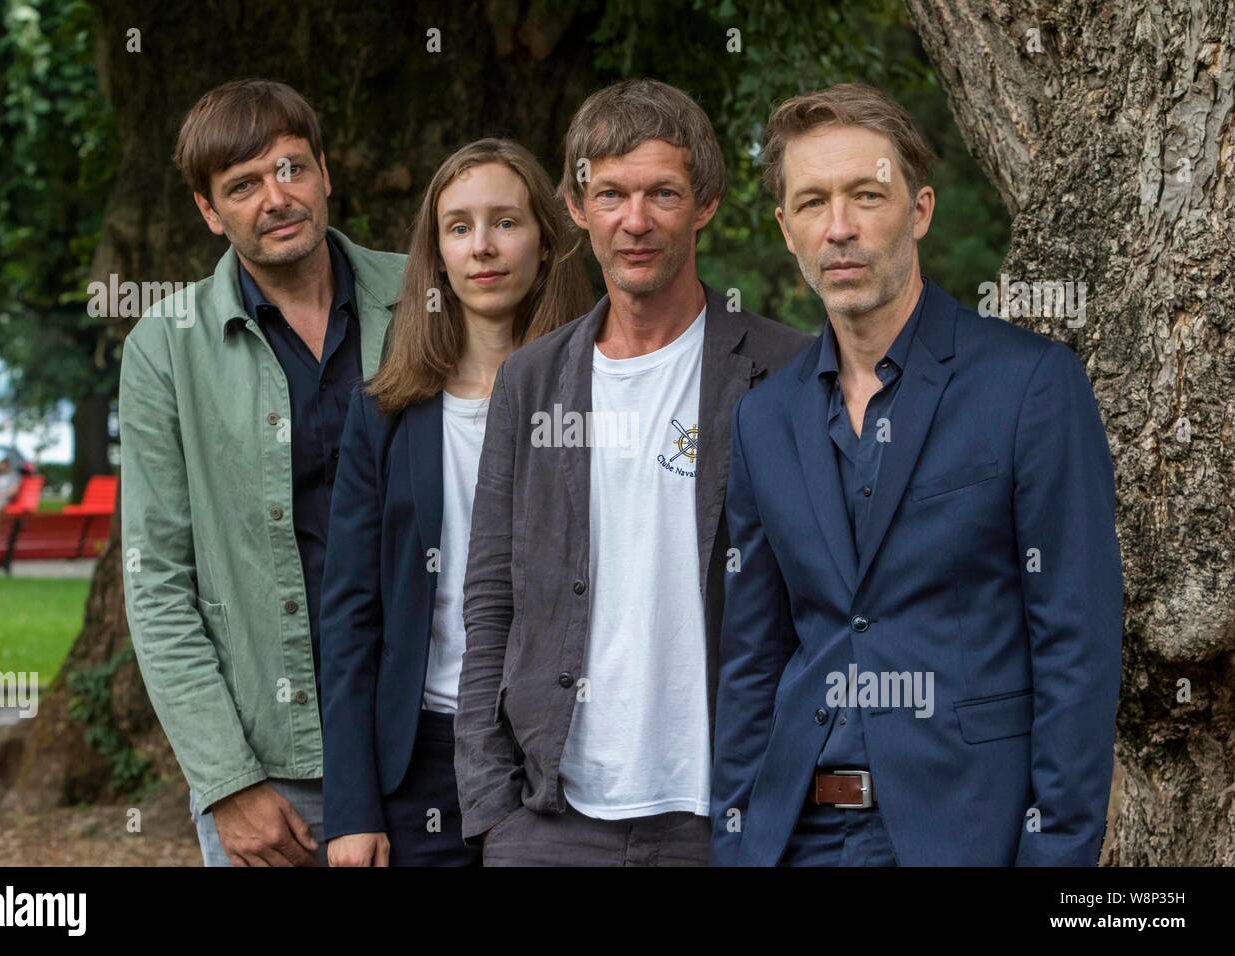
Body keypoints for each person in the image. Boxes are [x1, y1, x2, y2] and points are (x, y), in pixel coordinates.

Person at [711, 83, 1122, 866]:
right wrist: (737, 843)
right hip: (797, 835)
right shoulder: (764, 419)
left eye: (867, 195)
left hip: (965, 833)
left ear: (921, 210)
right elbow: (753, 657)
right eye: (812, 204)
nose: (840, 228)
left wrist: (1057, 858)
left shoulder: (1030, 385)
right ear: (785, 230)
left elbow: (1077, 643)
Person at [454, 79, 810, 866]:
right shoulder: (531, 380)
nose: (635, 220)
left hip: (726, 812)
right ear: (577, 209)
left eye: (662, 193)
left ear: (706, 203)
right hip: (550, 818)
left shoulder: (785, 371)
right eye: (609, 193)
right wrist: (491, 808)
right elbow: (489, 595)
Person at [119, 78, 407, 867]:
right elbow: (156, 581)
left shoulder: (424, 295)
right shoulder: (165, 347)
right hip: (274, 766)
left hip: (430, 741)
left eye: (290, 168)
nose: (275, 198)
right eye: (242, 185)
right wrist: (226, 781)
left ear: (324, 174)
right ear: (210, 213)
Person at [319, 138, 591, 866]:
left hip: (561, 753)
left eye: (506, 222)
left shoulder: (598, 401)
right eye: (460, 226)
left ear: (545, 241)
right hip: (423, 760)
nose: (484, 247)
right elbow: (349, 616)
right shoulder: (384, 412)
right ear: (436, 253)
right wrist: (350, 808)